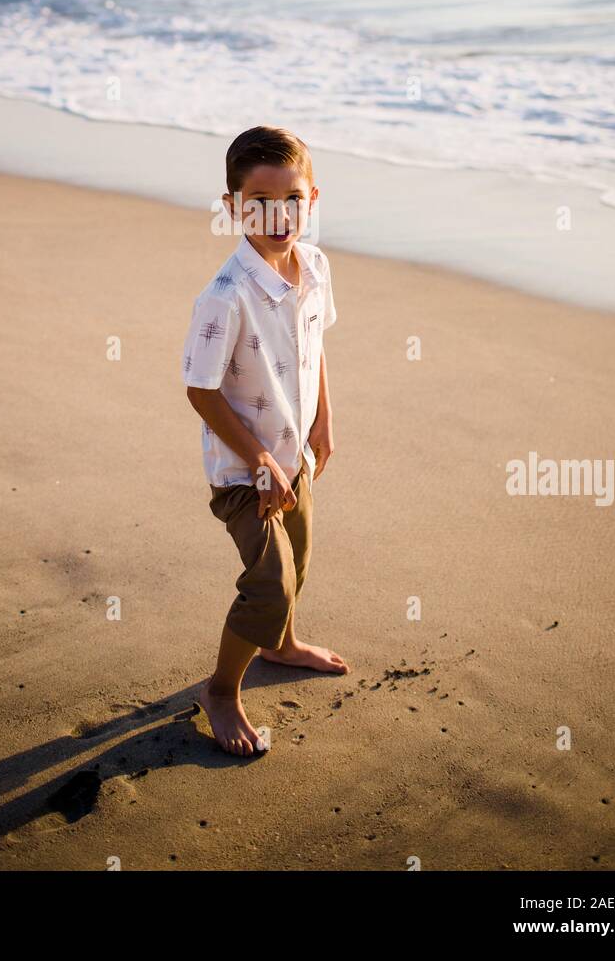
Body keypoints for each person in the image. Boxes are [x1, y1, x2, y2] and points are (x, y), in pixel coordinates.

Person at [182, 125, 348, 757]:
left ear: (312, 198)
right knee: (270, 580)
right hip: (244, 474)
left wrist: (323, 423)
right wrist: (256, 460)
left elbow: (317, 346)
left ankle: (280, 643)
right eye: (259, 203)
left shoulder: (317, 267)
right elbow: (199, 389)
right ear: (232, 208)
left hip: (297, 456)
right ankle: (221, 689)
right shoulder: (225, 297)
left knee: (298, 563)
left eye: (292, 200)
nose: (279, 216)